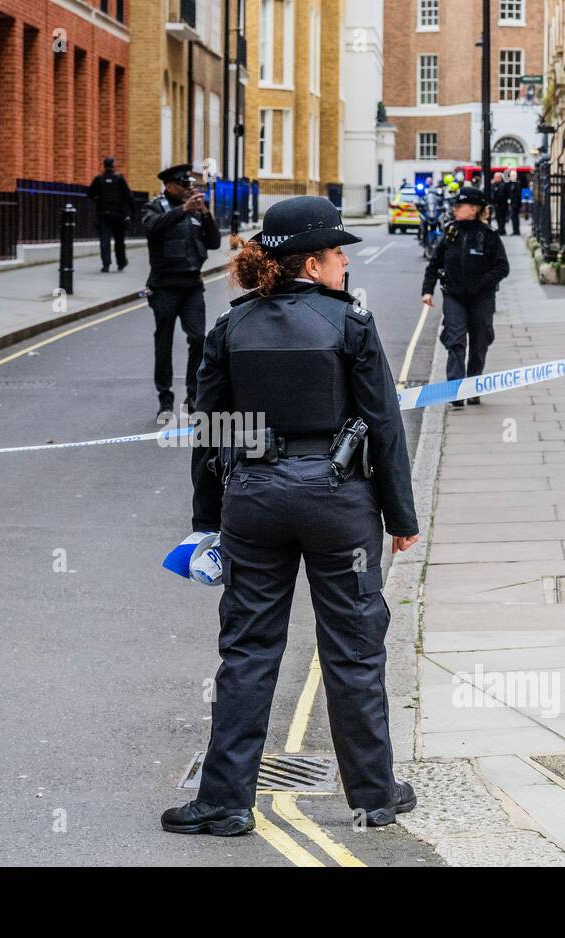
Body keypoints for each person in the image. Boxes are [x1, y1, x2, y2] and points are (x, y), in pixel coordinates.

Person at [161, 196, 420, 837]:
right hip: (338, 499)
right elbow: (382, 422)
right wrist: (400, 516)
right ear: (311, 262)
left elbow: (210, 430)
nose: (343, 265)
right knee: (355, 645)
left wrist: (208, 519)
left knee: (247, 648)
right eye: (337, 254)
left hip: (253, 498)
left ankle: (223, 803)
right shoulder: (350, 323)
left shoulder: (230, 327)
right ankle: (374, 794)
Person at [142, 163, 222, 425]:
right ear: (169, 186)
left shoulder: (196, 211)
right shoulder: (155, 207)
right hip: (164, 286)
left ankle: (193, 397)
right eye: (184, 185)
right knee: (163, 342)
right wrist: (182, 211)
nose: (189, 188)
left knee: (199, 338)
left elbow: (213, 243)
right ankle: (165, 400)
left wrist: (206, 214)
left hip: (191, 286)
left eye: (190, 184)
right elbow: (151, 229)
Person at [421, 186, 510, 406]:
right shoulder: (450, 233)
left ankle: (473, 386)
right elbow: (434, 263)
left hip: (482, 298)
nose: (455, 209)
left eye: (459, 206)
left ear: (474, 209)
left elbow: (502, 267)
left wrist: (482, 283)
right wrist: (427, 290)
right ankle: (456, 391)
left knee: (480, 343)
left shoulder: (489, 236)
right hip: (454, 296)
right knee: (455, 340)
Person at [86, 157, 134, 273]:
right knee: (119, 240)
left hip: (103, 213)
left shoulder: (98, 179)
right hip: (118, 214)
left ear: (104, 165)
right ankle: (121, 262)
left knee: (104, 239)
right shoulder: (119, 179)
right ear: (113, 166)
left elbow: (90, 194)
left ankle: (106, 264)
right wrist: (132, 212)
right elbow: (129, 196)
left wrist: (98, 198)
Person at [490, 171, 509, 235]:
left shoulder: (503, 185)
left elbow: (501, 195)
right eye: (494, 177)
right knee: (498, 218)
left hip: (502, 205)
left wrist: (497, 201)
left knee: (502, 218)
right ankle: (500, 229)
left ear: (500, 178)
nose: (494, 179)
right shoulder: (494, 185)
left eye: (496, 177)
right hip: (497, 204)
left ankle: (502, 230)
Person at [507, 170, 523, 235]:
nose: (512, 177)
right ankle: (515, 230)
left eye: (514, 176)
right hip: (513, 203)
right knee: (513, 218)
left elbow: (517, 195)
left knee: (515, 217)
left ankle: (516, 231)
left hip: (516, 204)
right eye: (511, 176)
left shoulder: (517, 184)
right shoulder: (511, 184)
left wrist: (516, 205)